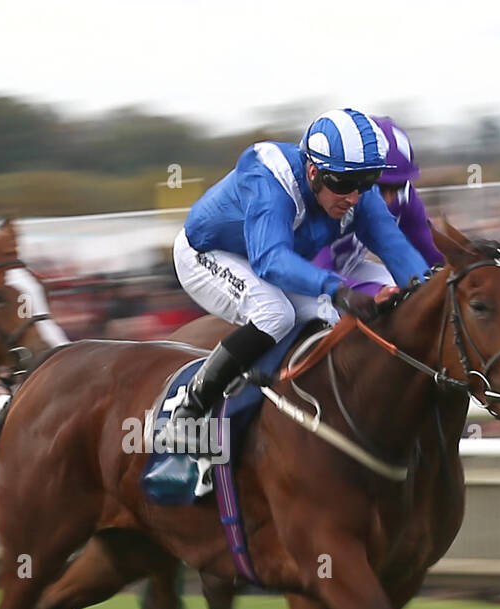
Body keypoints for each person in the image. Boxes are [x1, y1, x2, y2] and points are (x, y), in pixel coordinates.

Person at [170, 108, 430, 436]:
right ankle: (190, 407)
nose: (353, 197)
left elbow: (396, 248)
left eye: (365, 183)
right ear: (312, 172)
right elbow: (271, 260)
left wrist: (428, 290)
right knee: (275, 314)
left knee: (335, 317)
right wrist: (338, 288)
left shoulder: (356, 193)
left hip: (267, 256)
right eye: (344, 183)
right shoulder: (269, 178)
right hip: (207, 253)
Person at [313, 115, 441, 288]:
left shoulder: (406, 197)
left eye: (396, 188)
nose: (388, 201)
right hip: (303, 277)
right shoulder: (331, 195)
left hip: (349, 267)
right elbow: (319, 269)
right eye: (378, 188)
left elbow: (430, 253)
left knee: (407, 294)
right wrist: (371, 294)